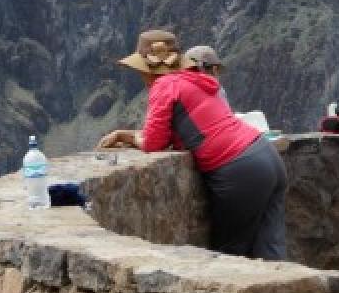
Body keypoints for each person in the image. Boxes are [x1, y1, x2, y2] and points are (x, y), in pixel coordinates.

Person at [99, 30, 288, 260]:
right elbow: (183, 131)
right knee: (269, 247)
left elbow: (153, 143)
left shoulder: (164, 86)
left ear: (148, 70)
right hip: (265, 154)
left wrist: (126, 137)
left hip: (239, 168)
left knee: (231, 255)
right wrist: (128, 135)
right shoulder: (198, 81)